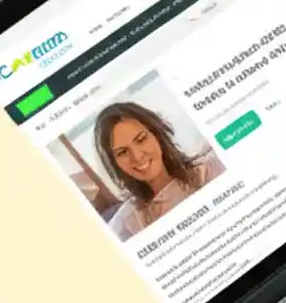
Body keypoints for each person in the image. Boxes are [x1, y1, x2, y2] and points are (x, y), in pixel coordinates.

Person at [94, 102, 225, 238]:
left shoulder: (210, 169)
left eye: (141, 139)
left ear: (156, 134)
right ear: (115, 163)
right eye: (122, 152)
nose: (137, 157)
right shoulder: (127, 225)